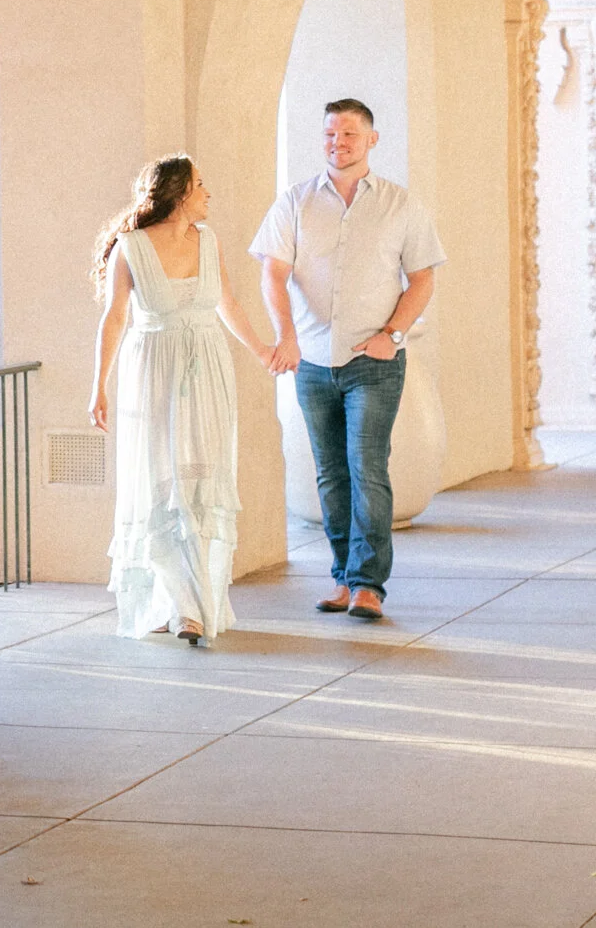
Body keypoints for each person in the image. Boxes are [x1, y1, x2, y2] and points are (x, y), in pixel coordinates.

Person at [253, 99, 446, 623]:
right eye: (330, 134)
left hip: (374, 363)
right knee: (330, 475)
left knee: (367, 468)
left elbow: (423, 277)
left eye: (349, 135)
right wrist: (285, 337)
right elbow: (274, 272)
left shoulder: (400, 206)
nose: (338, 143)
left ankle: (367, 585)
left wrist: (394, 332)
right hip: (313, 362)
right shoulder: (294, 202)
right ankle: (341, 576)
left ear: (372, 140)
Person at [89, 154, 283, 646]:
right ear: (178, 193)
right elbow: (114, 318)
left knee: (202, 481)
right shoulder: (129, 249)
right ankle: (184, 607)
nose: (208, 193)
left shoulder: (209, 241)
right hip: (153, 372)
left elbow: (228, 304)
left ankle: (192, 604)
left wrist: (262, 351)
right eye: (200, 184)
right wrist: (99, 386)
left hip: (208, 374)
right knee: (159, 484)